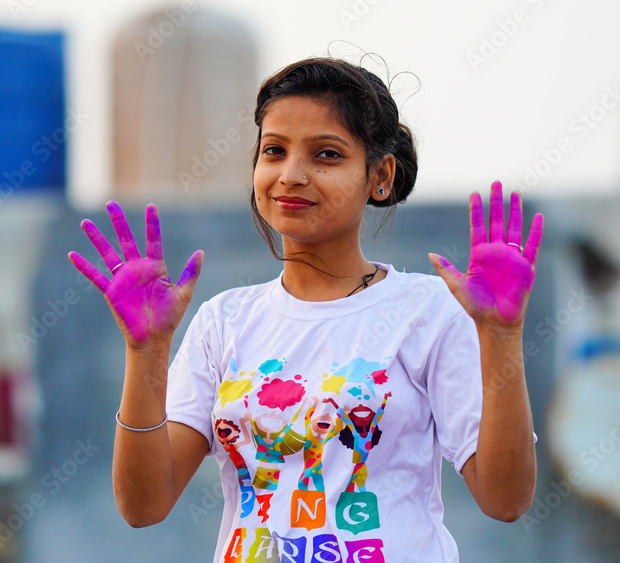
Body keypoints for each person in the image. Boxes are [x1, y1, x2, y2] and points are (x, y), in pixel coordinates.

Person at [69, 56, 542, 563]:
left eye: (326, 155)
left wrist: (500, 336)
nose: (291, 175)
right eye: (274, 151)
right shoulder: (222, 321)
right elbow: (143, 506)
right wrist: (145, 352)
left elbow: (505, 500)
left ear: (380, 176)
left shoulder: (426, 311)